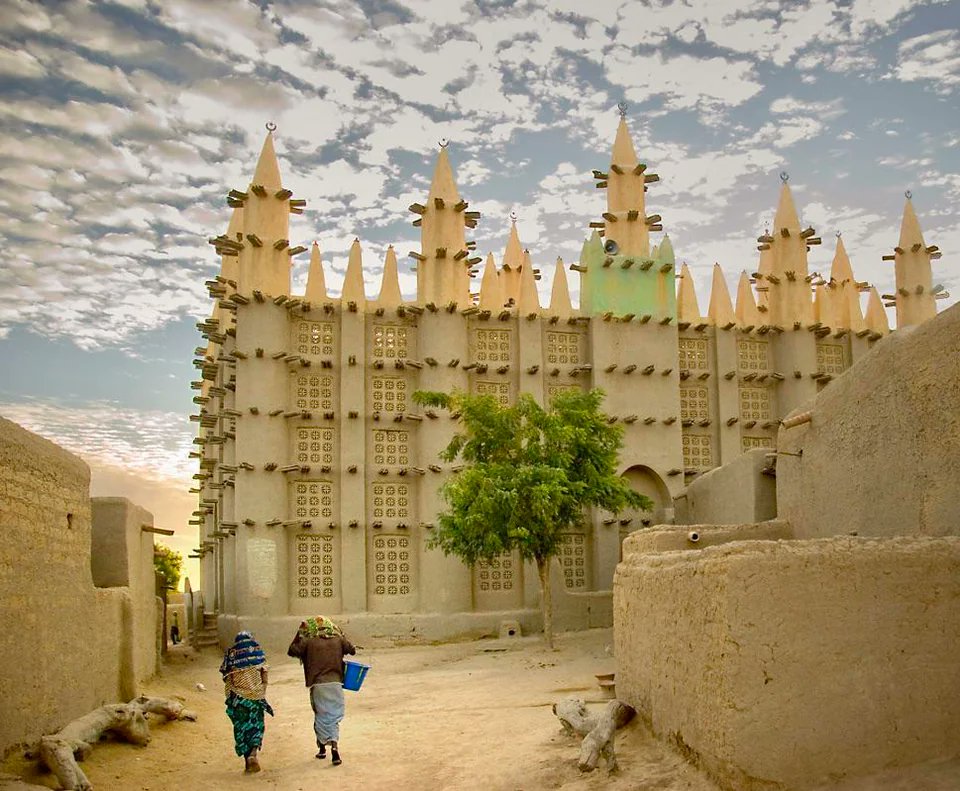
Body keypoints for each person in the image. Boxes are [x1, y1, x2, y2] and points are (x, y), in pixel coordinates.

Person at [287, 616, 356, 766]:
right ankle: (334, 746)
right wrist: (341, 634)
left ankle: (322, 748)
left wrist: (299, 634)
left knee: (320, 714)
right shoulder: (338, 639)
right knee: (333, 716)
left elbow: (291, 651)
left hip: (318, 683)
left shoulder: (308, 641)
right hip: (336, 682)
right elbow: (352, 650)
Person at [220, 631, 274, 773]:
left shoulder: (231, 656)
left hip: (239, 700)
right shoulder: (258, 653)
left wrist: (230, 698)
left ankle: (247, 761)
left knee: (242, 728)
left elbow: (227, 679)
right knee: (256, 726)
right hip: (255, 699)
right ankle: (253, 754)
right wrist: (261, 691)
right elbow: (265, 676)